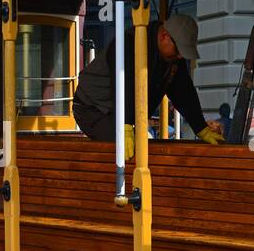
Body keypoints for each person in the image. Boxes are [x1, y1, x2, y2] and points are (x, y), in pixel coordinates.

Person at [72, 13, 225, 152]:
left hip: (118, 111)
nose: (180, 56)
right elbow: (125, 85)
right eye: (179, 50)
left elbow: (184, 92)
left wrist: (201, 127)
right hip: (91, 109)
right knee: (127, 150)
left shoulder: (172, 59)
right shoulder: (128, 43)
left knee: (138, 148)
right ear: (164, 36)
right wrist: (125, 125)